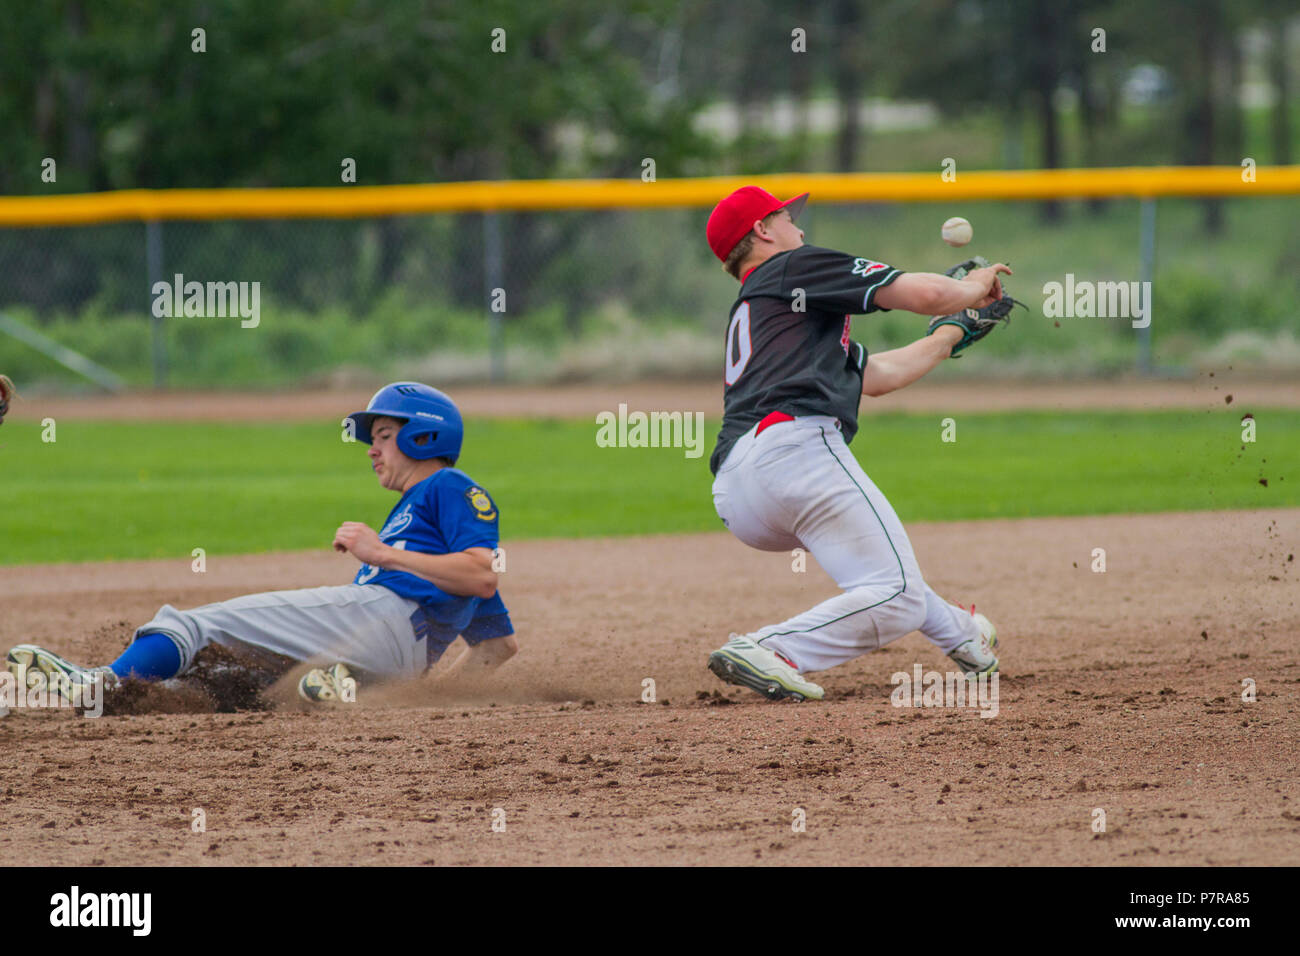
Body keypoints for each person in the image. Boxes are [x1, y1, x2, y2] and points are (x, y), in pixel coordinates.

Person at [5, 382, 517, 704]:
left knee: (194, 626)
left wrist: (381, 553)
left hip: (386, 617)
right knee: (232, 678)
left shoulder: (448, 487)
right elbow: (498, 646)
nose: (371, 450)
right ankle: (335, 688)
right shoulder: (425, 515)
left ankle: (95, 686)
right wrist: (418, 694)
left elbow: (481, 573)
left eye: (382, 435)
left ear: (422, 438)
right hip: (395, 654)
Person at [703, 186, 1007, 702]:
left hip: (741, 492)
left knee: (882, 572)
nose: (798, 227)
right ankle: (771, 647)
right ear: (762, 231)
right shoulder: (793, 267)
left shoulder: (773, 308)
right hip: (793, 452)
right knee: (897, 595)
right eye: (787, 215)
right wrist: (973, 287)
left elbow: (879, 374)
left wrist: (950, 333)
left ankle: (963, 635)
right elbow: (928, 295)